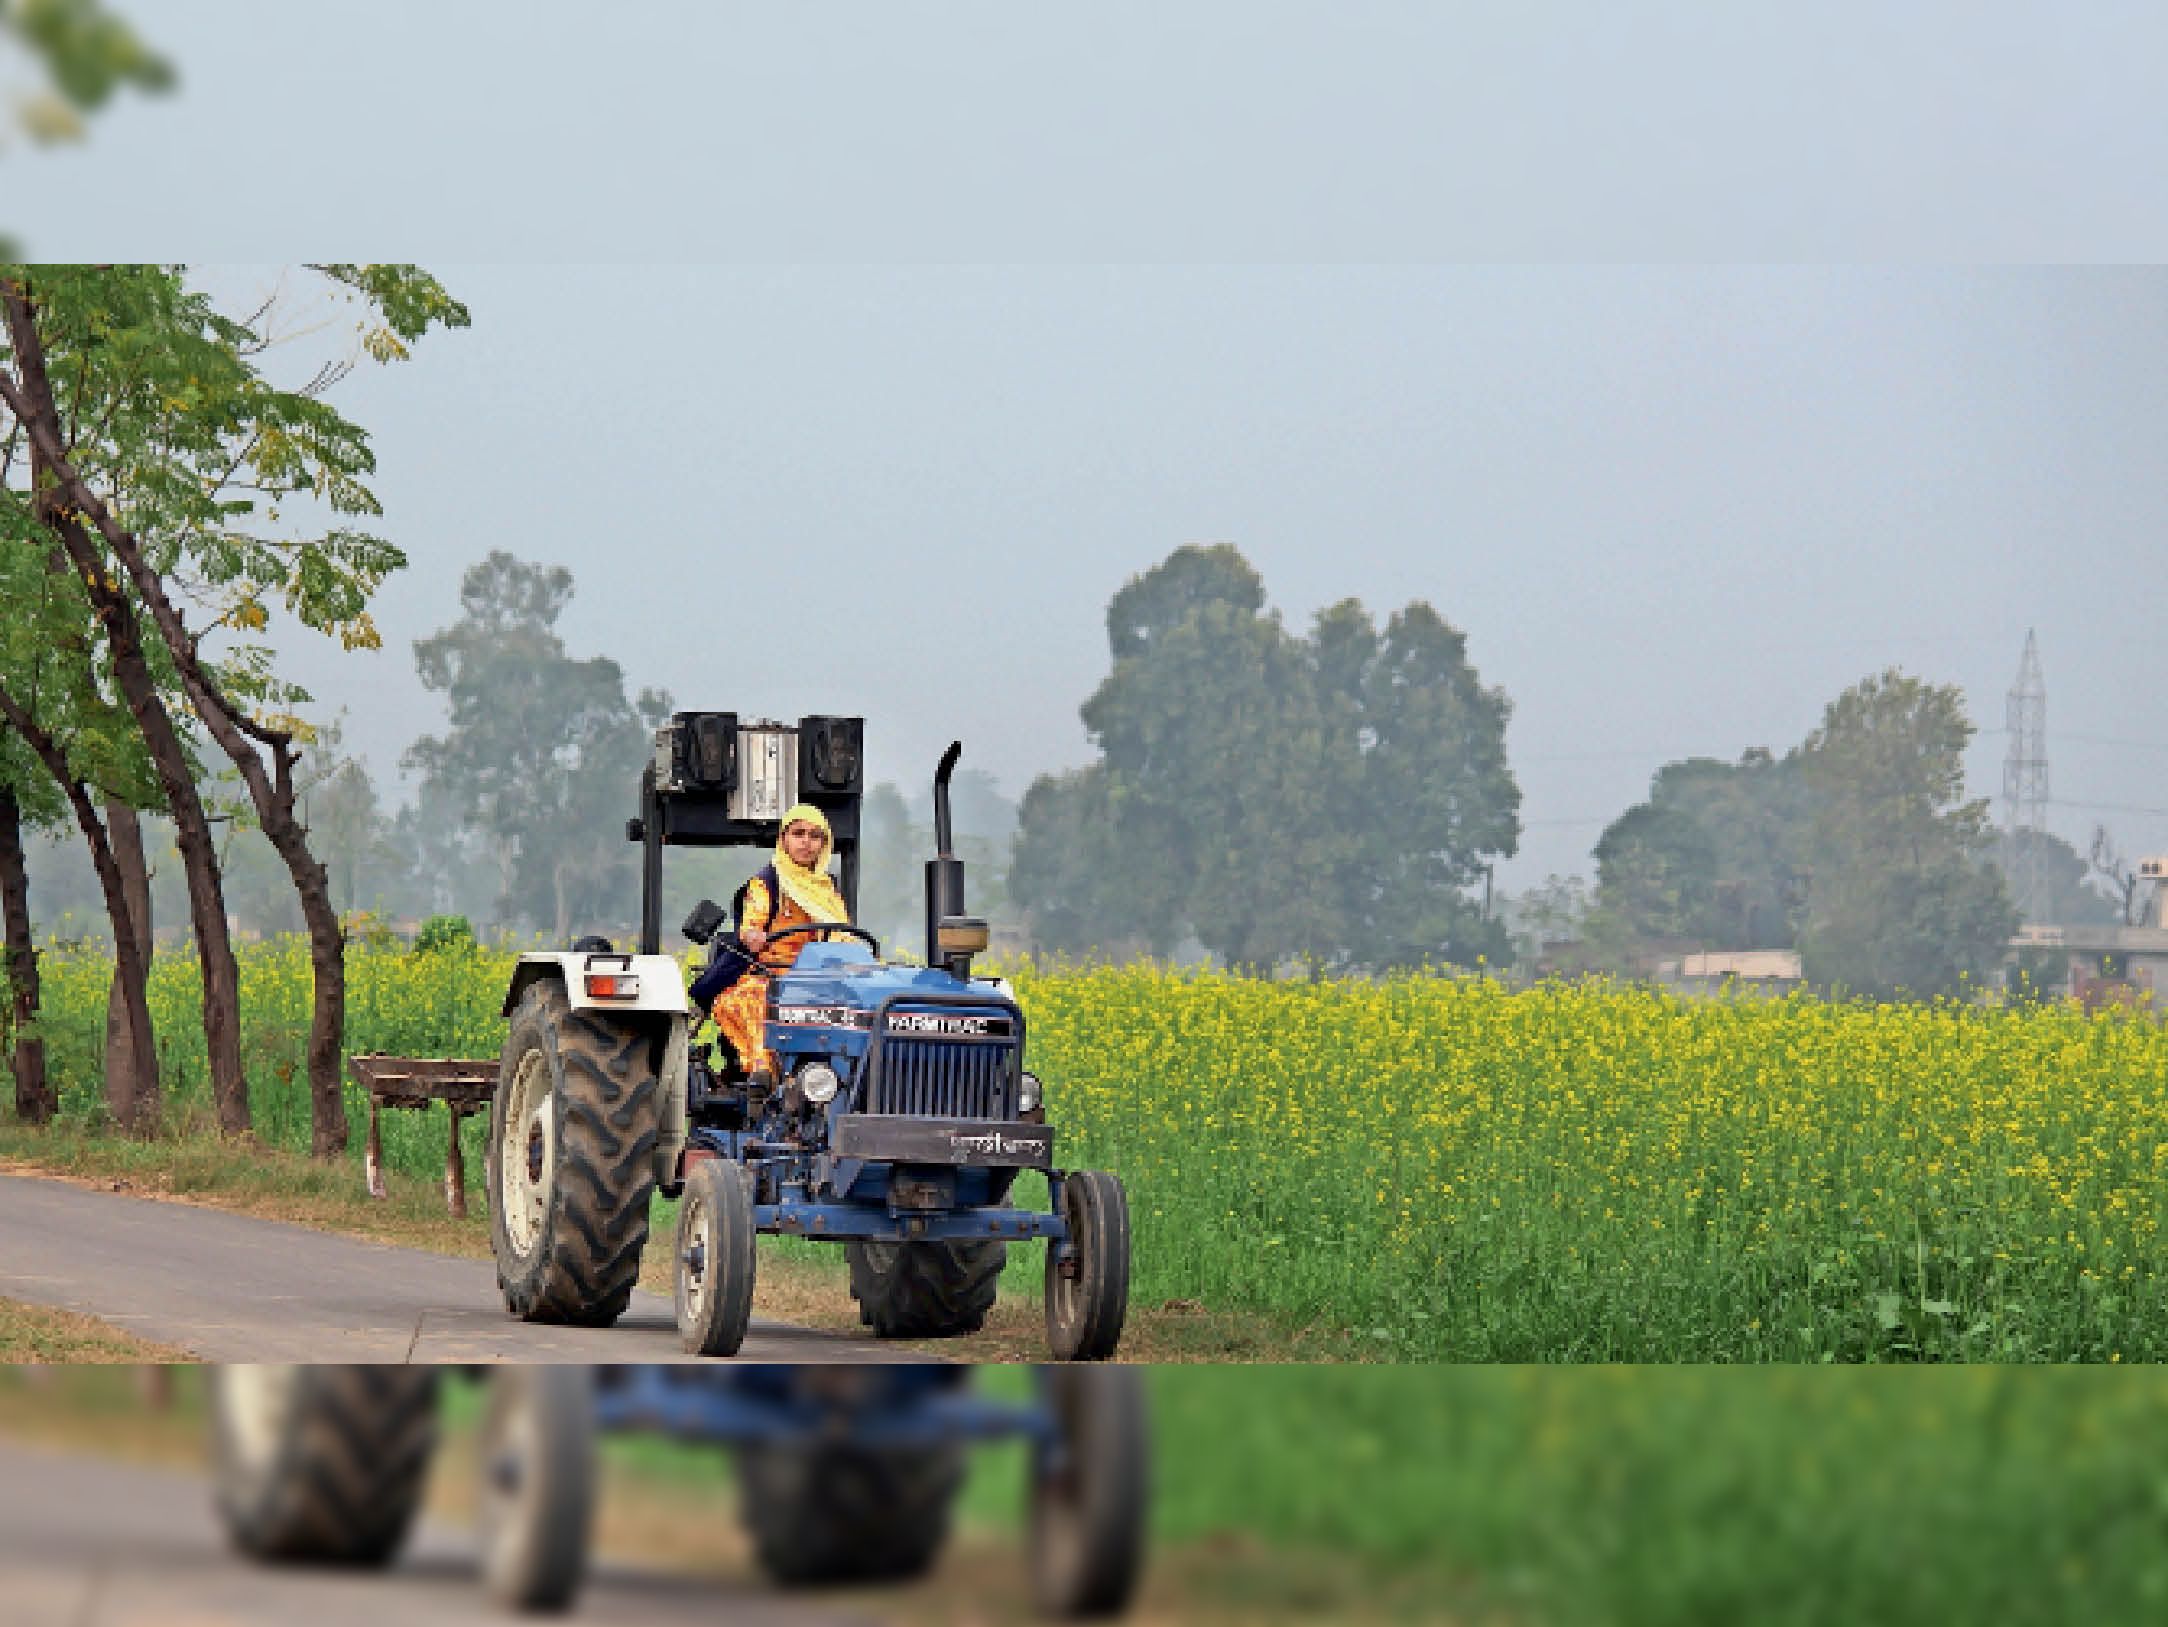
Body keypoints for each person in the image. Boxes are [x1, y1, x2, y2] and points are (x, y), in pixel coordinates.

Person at [708, 803, 850, 1087]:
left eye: (814, 836)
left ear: (824, 844)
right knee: (755, 998)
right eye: (798, 833)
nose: (806, 842)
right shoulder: (766, 884)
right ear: (784, 838)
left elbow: (841, 935)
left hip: (817, 978)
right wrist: (753, 936)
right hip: (769, 972)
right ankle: (764, 1077)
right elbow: (751, 928)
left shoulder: (827, 887)